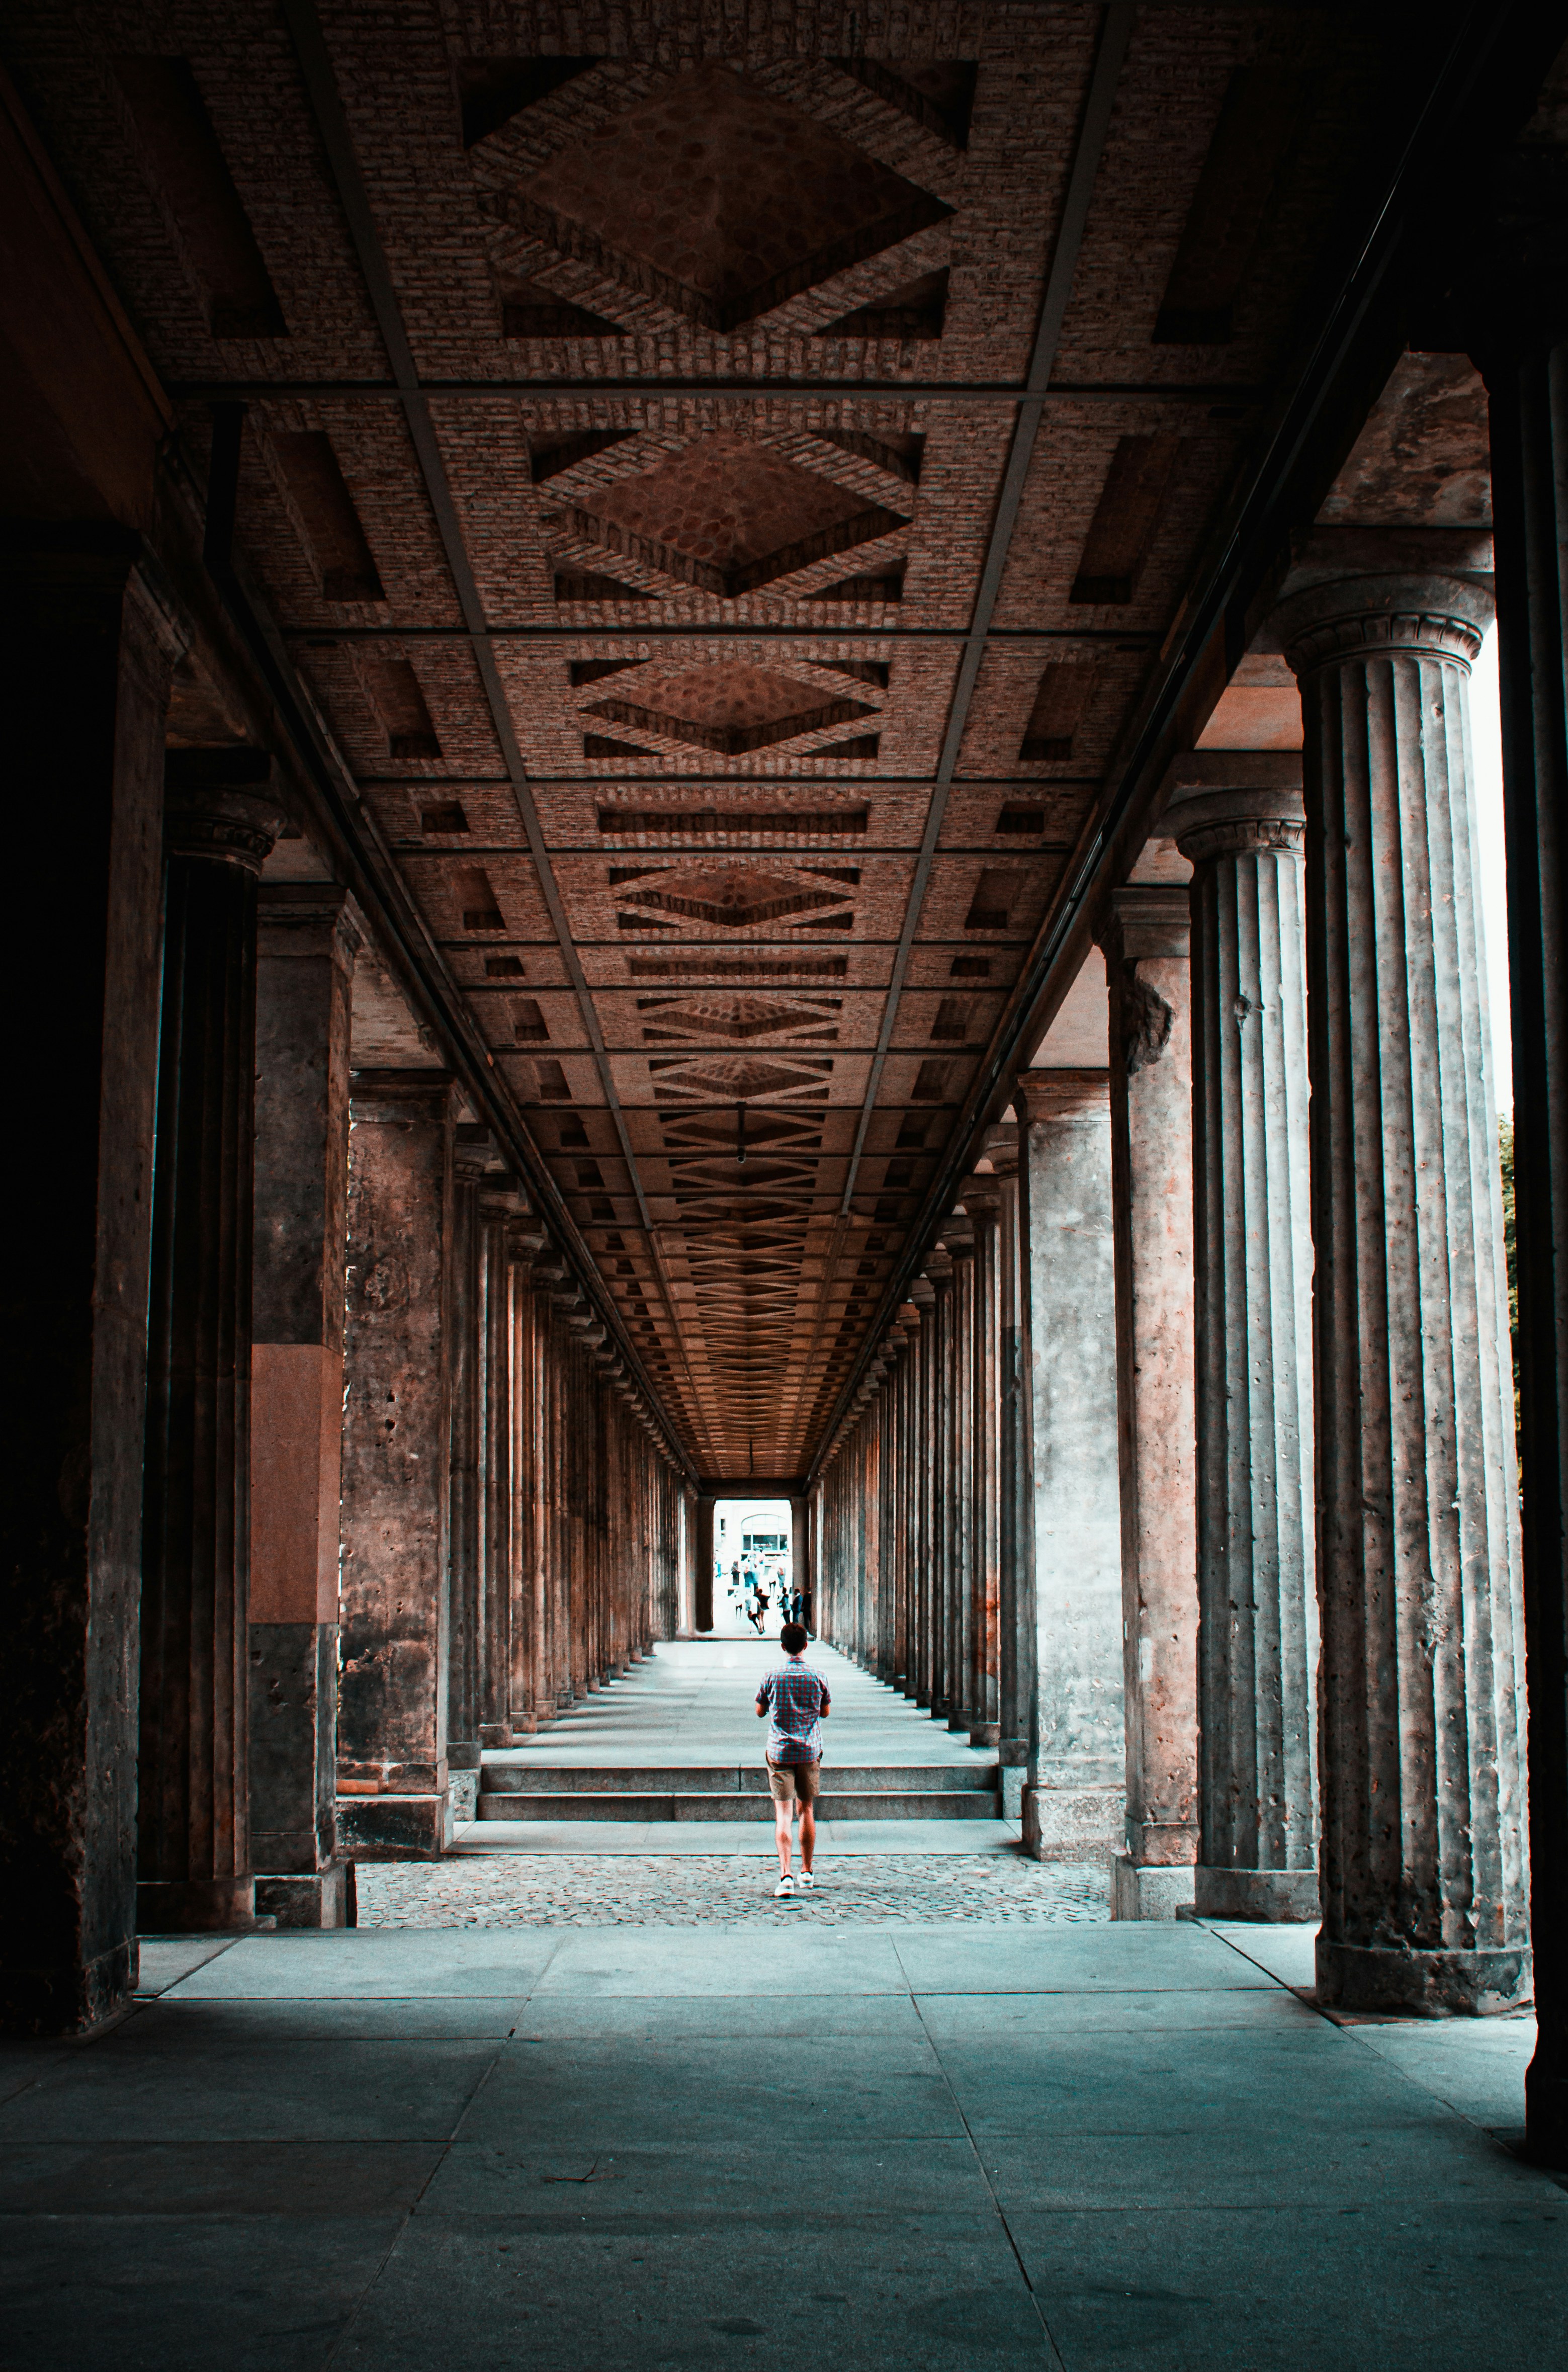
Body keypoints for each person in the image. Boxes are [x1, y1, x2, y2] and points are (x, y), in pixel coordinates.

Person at [756, 1621, 830, 1897]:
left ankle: (786, 1875)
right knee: (807, 1810)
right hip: (809, 1751)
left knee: (784, 1814)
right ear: (806, 1646)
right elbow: (825, 1712)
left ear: (783, 1647)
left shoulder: (772, 1676)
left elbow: (760, 1711)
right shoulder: (818, 1676)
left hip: (780, 1752)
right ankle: (807, 1872)